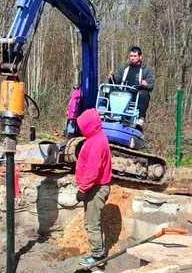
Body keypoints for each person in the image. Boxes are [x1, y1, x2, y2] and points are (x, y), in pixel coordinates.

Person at [75, 108, 113, 268]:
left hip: (95, 188)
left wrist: (83, 189)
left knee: (92, 224)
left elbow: (93, 170)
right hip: (94, 186)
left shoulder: (97, 143)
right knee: (92, 222)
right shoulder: (96, 138)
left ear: (89, 126)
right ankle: (98, 253)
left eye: (82, 126)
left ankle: (98, 258)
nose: (81, 129)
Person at [109, 46, 154, 126]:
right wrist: (111, 78)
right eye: (131, 56)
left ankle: (140, 118)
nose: (132, 58)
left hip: (136, 94)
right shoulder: (124, 68)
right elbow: (116, 81)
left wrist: (145, 84)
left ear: (140, 57)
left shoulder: (146, 69)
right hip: (123, 93)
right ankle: (108, 114)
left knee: (144, 93)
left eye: (135, 56)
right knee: (108, 89)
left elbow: (151, 85)